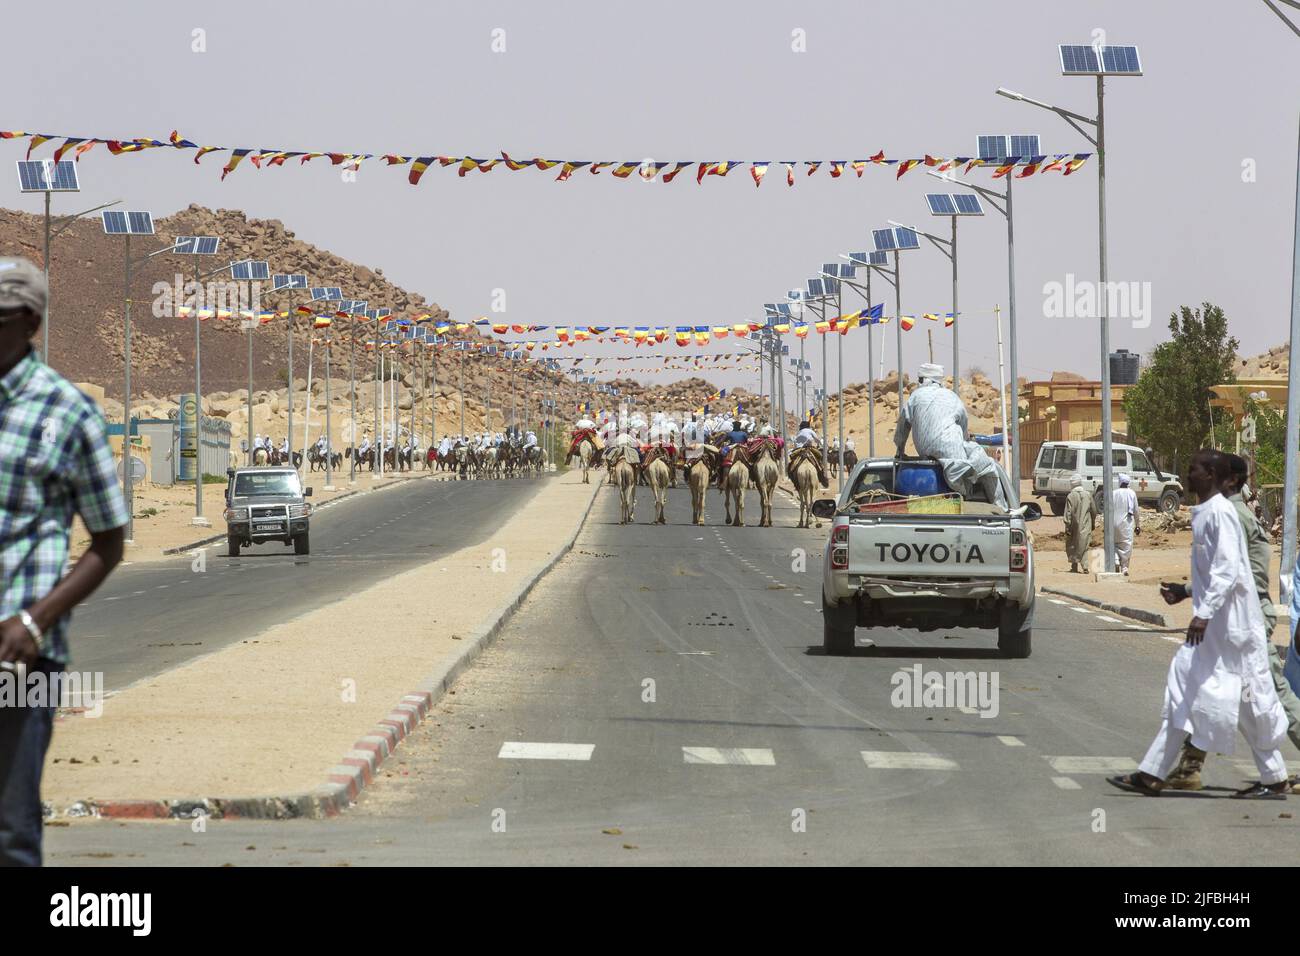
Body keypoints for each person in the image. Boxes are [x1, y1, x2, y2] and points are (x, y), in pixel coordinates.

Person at [0, 257, 128, 865]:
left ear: (27, 321)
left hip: (17, 661)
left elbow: (109, 540)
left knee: (11, 829)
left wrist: (34, 621)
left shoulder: (66, 413)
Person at [1108, 449, 1289, 799]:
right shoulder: (1206, 512)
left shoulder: (1220, 513)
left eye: (1195, 470)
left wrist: (1203, 614)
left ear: (1216, 477)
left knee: (1248, 700)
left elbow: (1228, 568)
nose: (1189, 475)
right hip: (1218, 631)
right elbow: (1213, 573)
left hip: (1233, 630)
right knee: (1188, 691)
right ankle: (1153, 772)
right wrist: (1186, 593)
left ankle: (1274, 776)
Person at [1165, 454, 1300, 790]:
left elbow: (1230, 575)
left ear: (1228, 479)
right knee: (1211, 690)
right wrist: (1186, 591)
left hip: (1246, 619)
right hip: (1233, 617)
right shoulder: (1224, 512)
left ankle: (1195, 767)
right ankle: (1189, 767)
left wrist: (1199, 602)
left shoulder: (1231, 515)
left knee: (1270, 696)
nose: (1192, 477)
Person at [893, 362, 1012, 508]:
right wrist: (965, 442)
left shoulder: (914, 397)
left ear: (922, 380)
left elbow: (902, 427)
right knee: (988, 465)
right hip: (953, 450)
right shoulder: (952, 397)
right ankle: (1002, 509)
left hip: (924, 452)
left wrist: (900, 451)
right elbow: (963, 426)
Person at [1063, 474, 1095, 574]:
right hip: (1086, 524)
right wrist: (1092, 522)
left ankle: (1074, 566)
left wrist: (1067, 526)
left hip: (1073, 525)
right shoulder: (1087, 494)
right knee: (1084, 544)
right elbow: (1094, 510)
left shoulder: (1070, 496)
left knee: (1073, 544)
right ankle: (1085, 566)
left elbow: (1068, 513)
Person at [1111, 473, 1140, 574]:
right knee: (1126, 545)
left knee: (1114, 543)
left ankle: (1115, 561)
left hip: (1113, 524)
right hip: (1126, 524)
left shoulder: (1113, 493)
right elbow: (1136, 511)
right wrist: (1138, 525)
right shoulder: (1132, 493)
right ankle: (1124, 567)